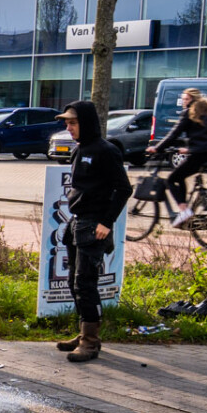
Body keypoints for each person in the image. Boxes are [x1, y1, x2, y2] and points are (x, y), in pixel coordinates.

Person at [58, 98, 133, 363]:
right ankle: (82, 334)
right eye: (67, 122)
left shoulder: (105, 150)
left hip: (94, 225)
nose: (68, 127)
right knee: (74, 283)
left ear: (87, 122)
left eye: (73, 122)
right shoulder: (80, 149)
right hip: (78, 222)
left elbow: (124, 189)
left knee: (85, 284)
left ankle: (91, 342)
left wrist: (106, 222)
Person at [146, 88, 207, 228]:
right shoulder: (206, 112)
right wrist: (188, 148)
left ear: (192, 99)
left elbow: (174, 133)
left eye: (185, 99)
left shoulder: (189, 113)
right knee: (180, 176)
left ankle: (184, 210)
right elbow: (202, 134)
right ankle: (186, 208)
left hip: (198, 154)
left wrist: (157, 148)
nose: (183, 102)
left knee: (171, 179)